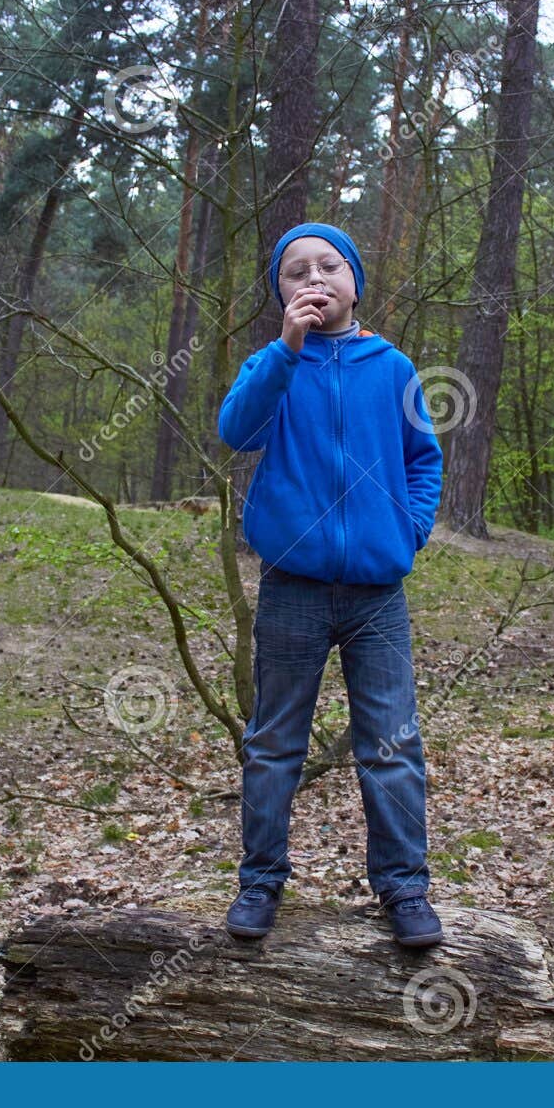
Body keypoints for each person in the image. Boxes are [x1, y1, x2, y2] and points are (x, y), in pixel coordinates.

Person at [216, 222, 445, 947]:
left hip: (378, 593)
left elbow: (422, 458)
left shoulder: (393, 367)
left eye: (329, 267)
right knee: (273, 740)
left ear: (355, 281)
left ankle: (405, 890)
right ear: (281, 294)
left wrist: (407, 530)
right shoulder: (275, 365)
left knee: (392, 742)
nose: (314, 280)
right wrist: (284, 351)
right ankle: (260, 883)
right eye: (295, 273)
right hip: (293, 585)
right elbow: (236, 431)